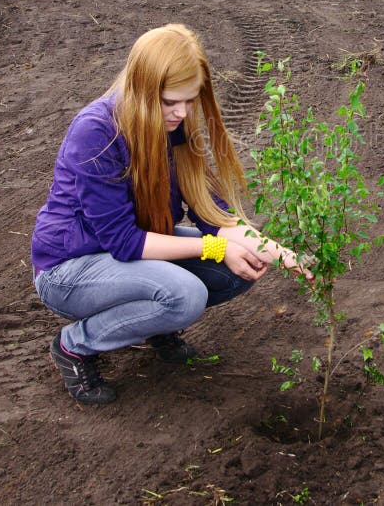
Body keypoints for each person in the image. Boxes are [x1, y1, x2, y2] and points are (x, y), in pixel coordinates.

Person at [31, 23, 310, 404]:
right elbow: (124, 241)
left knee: (237, 267)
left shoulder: (174, 128)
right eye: (169, 101)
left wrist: (282, 255)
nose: (181, 112)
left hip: (129, 254)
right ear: (143, 87)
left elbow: (214, 216)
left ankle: (155, 321)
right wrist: (212, 248)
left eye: (190, 100)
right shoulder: (96, 132)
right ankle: (74, 345)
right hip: (71, 270)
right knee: (184, 294)